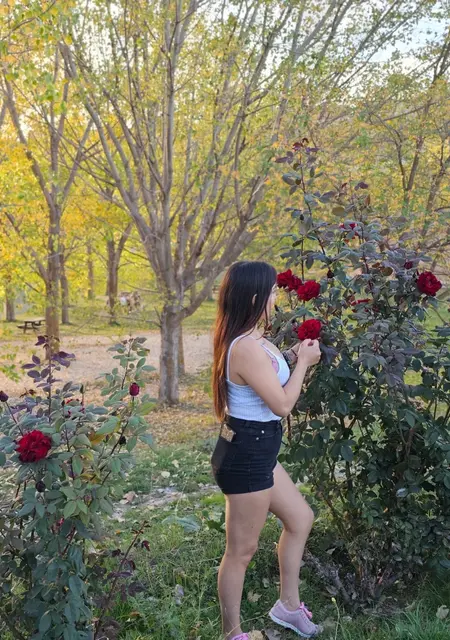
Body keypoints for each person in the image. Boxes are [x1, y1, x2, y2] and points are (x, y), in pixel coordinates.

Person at [211, 261, 322, 640]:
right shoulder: (244, 347)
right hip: (246, 455)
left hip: (259, 451)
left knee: (301, 519)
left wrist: (291, 355)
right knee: (241, 551)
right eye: (273, 291)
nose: (277, 297)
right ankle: (232, 633)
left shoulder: (254, 338)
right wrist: (304, 363)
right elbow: (282, 404)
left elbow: (271, 372)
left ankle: (288, 607)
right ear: (256, 297)